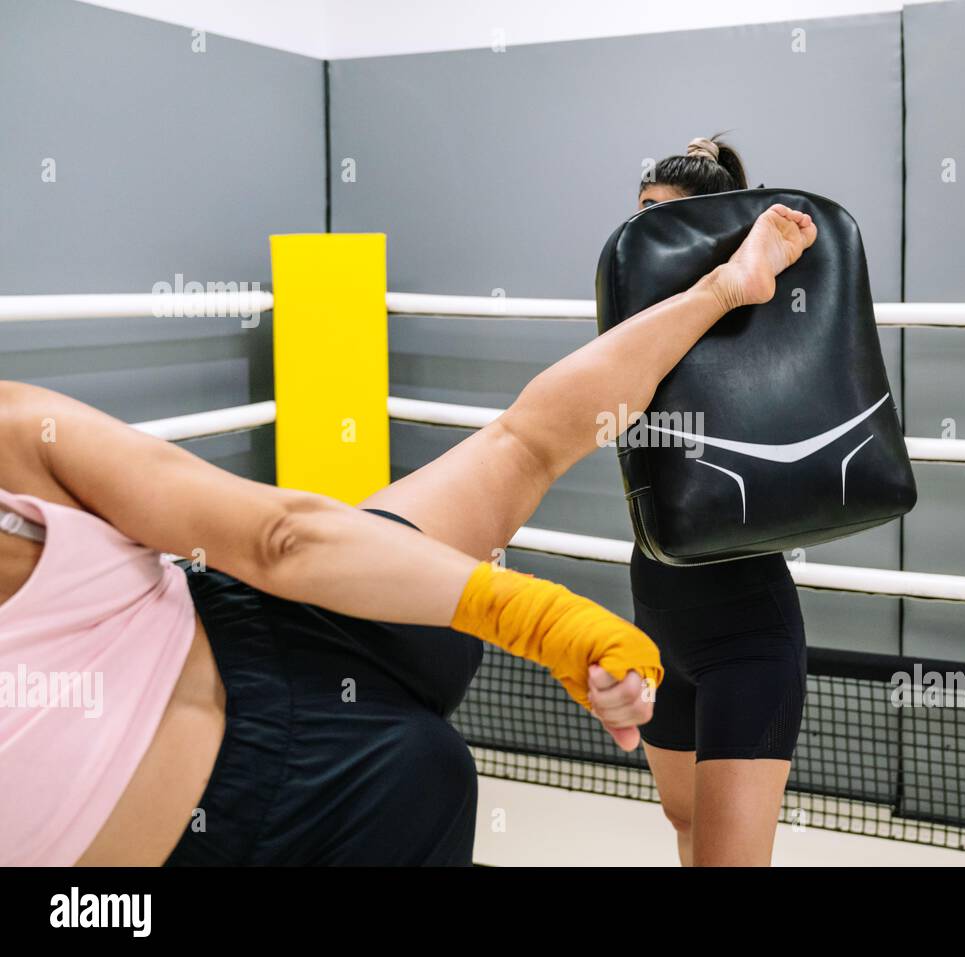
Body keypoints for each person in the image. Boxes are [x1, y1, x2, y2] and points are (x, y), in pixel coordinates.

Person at [0, 199, 816, 866]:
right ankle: (720, 289)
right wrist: (537, 618)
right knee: (522, 446)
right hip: (274, 773)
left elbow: (280, 537)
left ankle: (722, 288)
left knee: (521, 445)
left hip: (285, 612)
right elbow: (278, 534)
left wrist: (544, 621)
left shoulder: (13, 426)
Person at [632, 135, 811, 866]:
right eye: (639, 214)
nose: (642, 234)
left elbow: (804, 230)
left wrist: (749, 249)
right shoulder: (633, 329)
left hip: (747, 635)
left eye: (664, 220)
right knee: (685, 827)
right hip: (656, 615)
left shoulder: (756, 333)